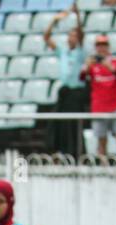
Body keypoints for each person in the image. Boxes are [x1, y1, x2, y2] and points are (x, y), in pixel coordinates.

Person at [44, 5, 86, 157]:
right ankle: (59, 151)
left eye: (74, 35)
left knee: (72, 123)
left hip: (76, 92)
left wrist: (78, 15)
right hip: (64, 91)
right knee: (58, 122)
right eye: (71, 35)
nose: (72, 38)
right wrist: (54, 20)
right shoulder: (63, 51)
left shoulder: (80, 52)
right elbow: (46, 37)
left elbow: (82, 35)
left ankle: (75, 152)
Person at [81, 35, 116, 157]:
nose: (101, 48)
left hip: (115, 105)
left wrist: (108, 65)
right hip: (99, 107)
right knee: (101, 140)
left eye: (104, 45)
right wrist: (86, 66)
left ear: (108, 46)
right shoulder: (91, 64)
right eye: (99, 45)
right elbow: (81, 77)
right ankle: (104, 168)